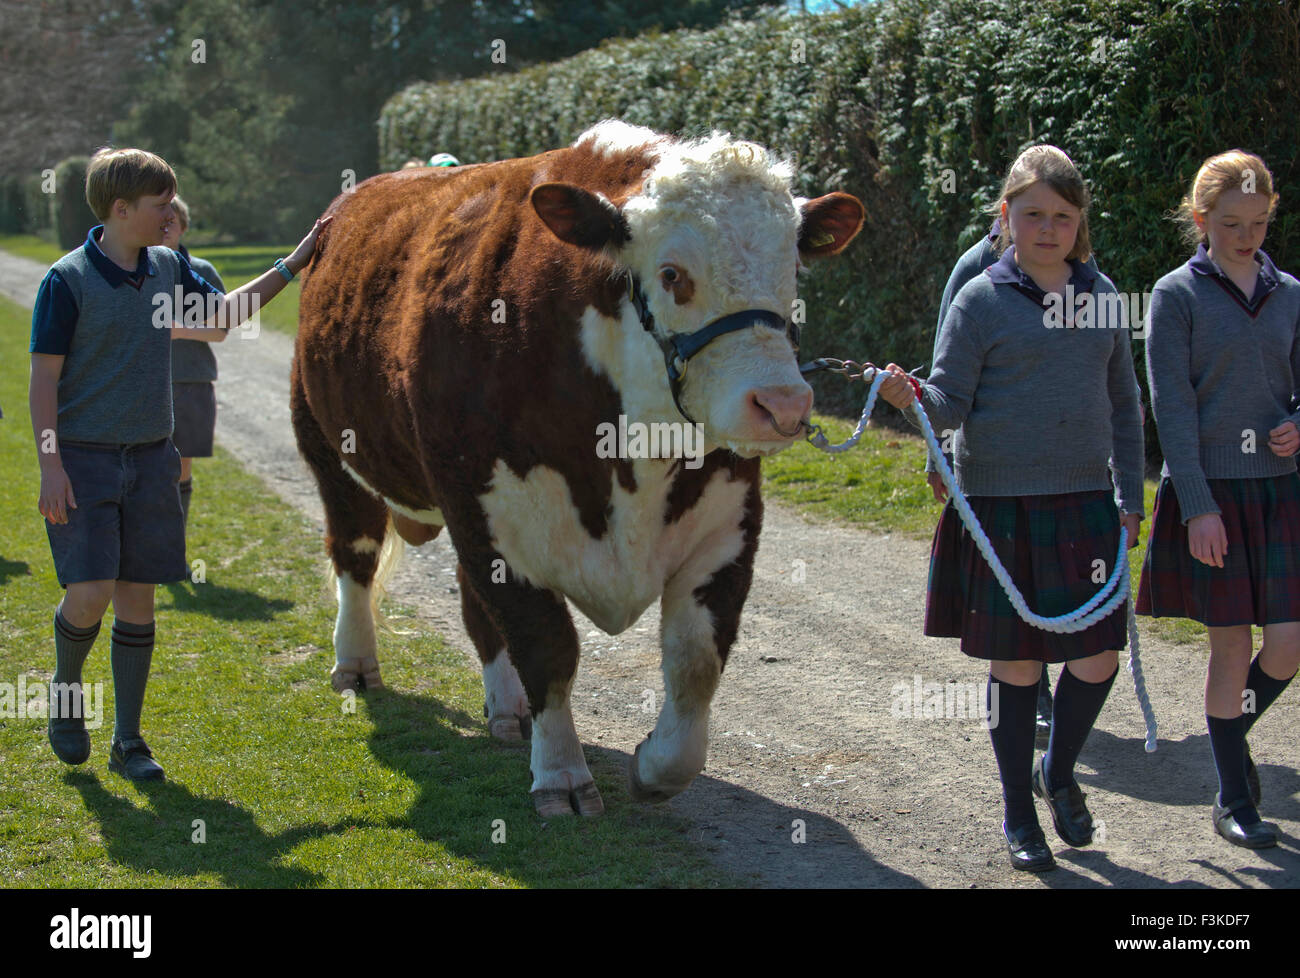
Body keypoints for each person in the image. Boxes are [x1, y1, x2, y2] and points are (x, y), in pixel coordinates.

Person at [879, 145, 1145, 872]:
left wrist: (1131, 496)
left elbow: (1126, 403)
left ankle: (1056, 772)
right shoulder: (980, 298)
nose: (1049, 228)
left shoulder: (1103, 296)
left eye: (1063, 217)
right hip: (1000, 510)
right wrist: (910, 400)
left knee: (1096, 659)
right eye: (1033, 215)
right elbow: (947, 402)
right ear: (1008, 217)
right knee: (1019, 667)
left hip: (1086, 503)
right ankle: (1019, 812)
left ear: (1079, 223)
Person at [30, 146, 329, 781]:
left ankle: (129, 743)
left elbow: (220, 322)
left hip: (152, 457)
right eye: (160, 204)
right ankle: (65, 693)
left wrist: (291, 262)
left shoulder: (167, 267)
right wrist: (50, 465)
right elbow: (42, 381)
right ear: (121, 209)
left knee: (138, 597)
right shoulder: (68, 279)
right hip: (82, 460)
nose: (172, 213)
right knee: (89, 594)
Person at [1136, 150, 1300, 849]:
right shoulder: (1176, 294)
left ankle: (1230, 747)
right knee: (1231, 647)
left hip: (1278, 491)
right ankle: (1234, 795)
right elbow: (1170, 407)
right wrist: (1198, 505)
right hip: (1211, 496)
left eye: (1259, 223)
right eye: (1231, 223)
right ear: (1200, 220)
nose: (1247, 236)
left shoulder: (1290, 291)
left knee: (1289, 647)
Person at [926, 216, 1104, 745]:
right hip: (991, 468)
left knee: (1052, 582)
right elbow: (946, 369)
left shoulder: (1082, 273)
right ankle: (1033, 692)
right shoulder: (975, 270)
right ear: (1006, 214)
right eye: (1029, 211)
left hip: (1064, 469)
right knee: (1010, 595)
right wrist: (938, 457)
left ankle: (1046, 695)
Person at [163, 195, 226, 533]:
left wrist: (176, 331)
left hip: (191, 380)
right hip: (145, 383)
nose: (164, 229)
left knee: (180, 467)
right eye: (159, 223)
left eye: (171, 223)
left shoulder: (201, 272)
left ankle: (174, 547)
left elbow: (221, 331)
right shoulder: (134, 266)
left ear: (183, 227)